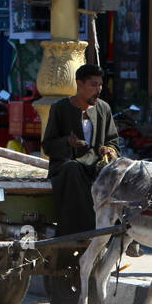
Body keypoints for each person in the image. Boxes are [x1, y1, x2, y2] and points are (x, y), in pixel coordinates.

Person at [42, 63, 120, 238]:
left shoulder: (104, 109)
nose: (99, 89)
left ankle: (122, 230)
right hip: (66, 167)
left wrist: (109, 150)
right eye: (94, 85)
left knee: (121, 172)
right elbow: (47, 146)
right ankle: (84, 231)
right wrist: (67, 142)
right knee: (73, 169)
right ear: (80, 84)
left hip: (95, 165)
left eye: (100, 85)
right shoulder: (60, 108)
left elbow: (114, 141)